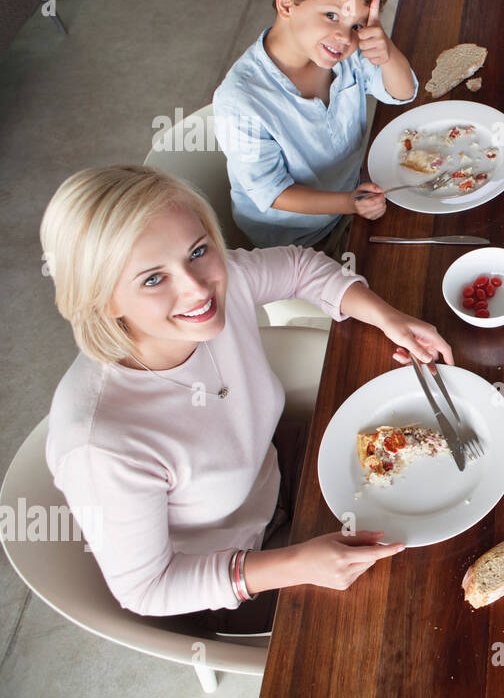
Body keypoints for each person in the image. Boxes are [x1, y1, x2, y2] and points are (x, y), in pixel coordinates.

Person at [41, 165, 451, 632]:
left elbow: (300, 267)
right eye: (153, 279)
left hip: (277, 478)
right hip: (232, 579)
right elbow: (147, 589)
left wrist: (387, 317)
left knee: (436, 501)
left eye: (198, 250)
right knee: (412, 608)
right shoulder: (100, 444)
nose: (197, 288)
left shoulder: (214, 283)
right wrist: (298, 564)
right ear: (102, 301)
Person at [213, 0, 418, 259]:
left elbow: (402, 92)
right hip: (291, 241)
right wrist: (350, 203)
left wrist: (387, 51)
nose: (343, 37)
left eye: (356, 26)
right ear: (286, 4)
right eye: (332, 16)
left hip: (353, 200)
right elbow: (273, 191)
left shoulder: (344, 54)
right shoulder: (240, 101)